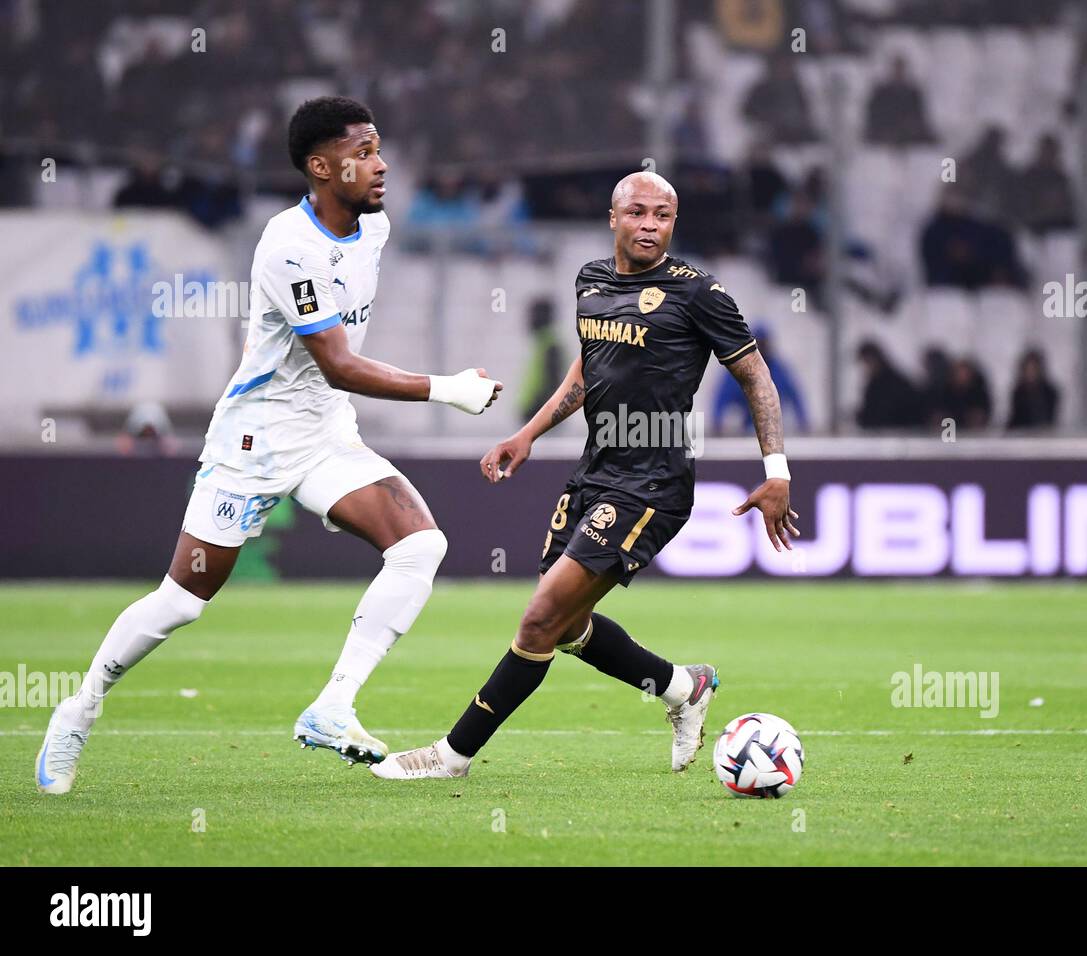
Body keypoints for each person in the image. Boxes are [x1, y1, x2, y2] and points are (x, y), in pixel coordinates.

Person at [36, 96, 504, 795]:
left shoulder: (372, 228)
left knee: (419, 546)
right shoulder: (290, 246)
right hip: (254, 441)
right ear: (321, 167)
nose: (381, 165)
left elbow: (338, 381)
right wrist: (445, 389)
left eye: (380, 149)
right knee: (184, 598)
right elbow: (338, 363)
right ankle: (80, 708)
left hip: (325, 434)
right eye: (364, 152)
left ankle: (333, 707)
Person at [370, 171, 799, 780]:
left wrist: (776, 471)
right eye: (639, 213)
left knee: (539, 620)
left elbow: (756, 376)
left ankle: (451, 755)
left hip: (653, 481)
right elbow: (588, 367)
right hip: (595, 473)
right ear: (613, 217)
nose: (651, 226)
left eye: (664, 216)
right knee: (568, 626)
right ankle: (684, 687)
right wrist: (528, 433)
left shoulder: (699, 293)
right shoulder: (590, 281)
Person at [1007, 349, 1059, 429]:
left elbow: (1049, 420)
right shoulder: (1019, 392)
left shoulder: (1049, 392)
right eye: (1028, 369)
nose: (1031, 373)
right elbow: (1015, 420)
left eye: (1033, 369)